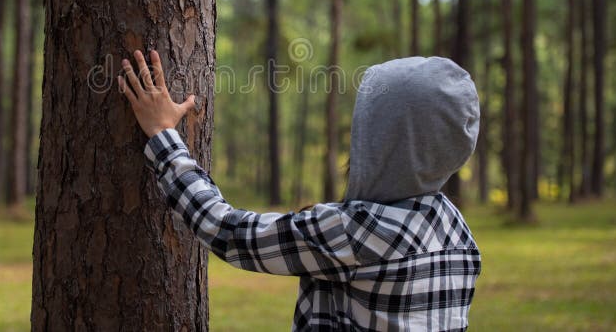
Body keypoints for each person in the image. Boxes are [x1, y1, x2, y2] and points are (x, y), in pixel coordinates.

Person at [118, 50, 482, 332]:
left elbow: (228, 232)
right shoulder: (456, 231)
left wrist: (163, 134)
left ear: (388, 143)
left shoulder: (355, 233)